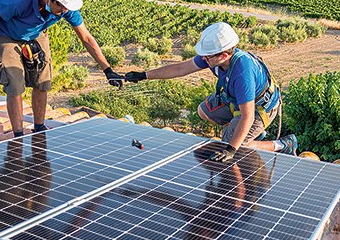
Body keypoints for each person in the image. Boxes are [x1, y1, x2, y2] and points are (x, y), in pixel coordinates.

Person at [124, 22, 298, 162]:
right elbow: (180, 69)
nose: (204, 59)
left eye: (208, 56)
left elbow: (248, 116)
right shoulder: (214, 58)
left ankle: (281, 144)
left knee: (234, 144)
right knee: (203, 111)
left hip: (260, 107)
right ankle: (240, 131)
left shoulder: (242, 72)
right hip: (235, 100)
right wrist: (143, 75)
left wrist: (230, 149)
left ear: (223, 55)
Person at [0, 0, 122, 137]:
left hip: (35, 33)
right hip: (6, 34)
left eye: (67, 7)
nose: (65, 11)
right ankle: (18, 135)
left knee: (43, 80)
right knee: (14, 84)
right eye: (62, 7)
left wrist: (107, 70)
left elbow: (86, 37)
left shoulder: (66, 6)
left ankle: (39, 128)